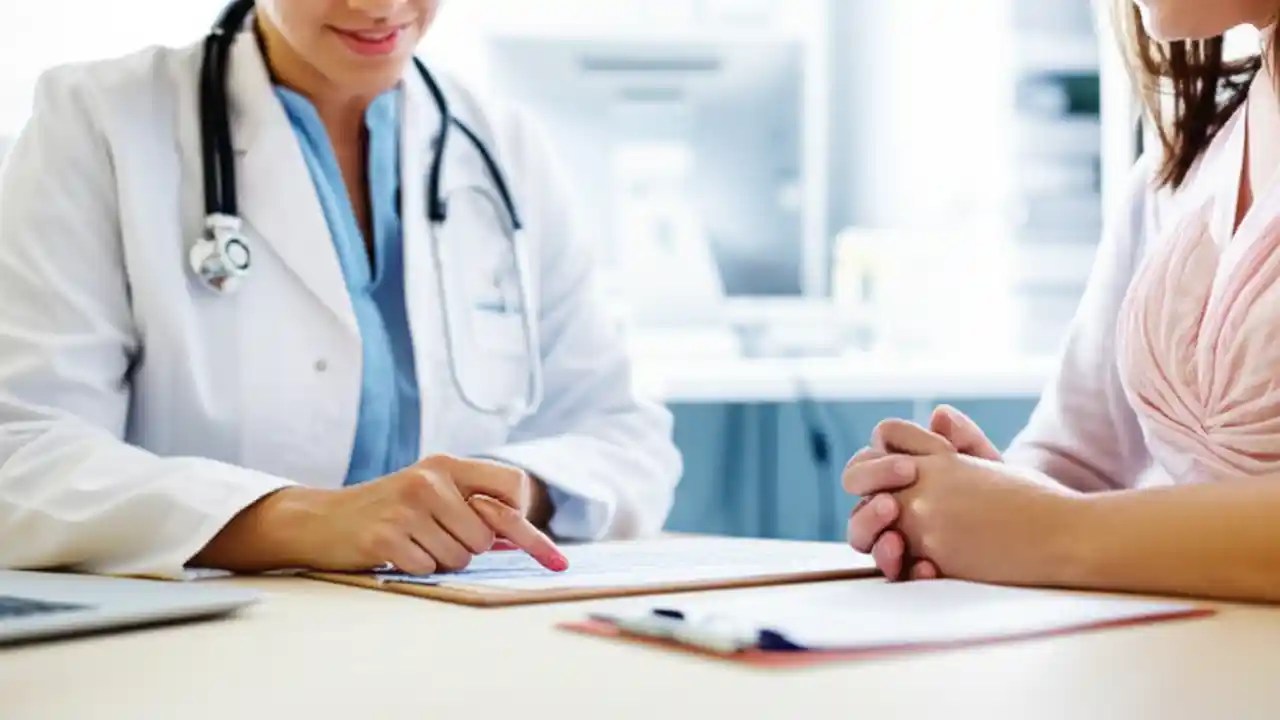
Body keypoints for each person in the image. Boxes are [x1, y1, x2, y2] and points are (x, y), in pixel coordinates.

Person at [0, 0, 681, 579]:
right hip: (205, 645)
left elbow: (626, 438)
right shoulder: (100, 122)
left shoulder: (502, 145)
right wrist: (296, 520)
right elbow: (23, 457)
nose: (379, 5)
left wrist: (502, 496)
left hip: (458, 634)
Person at [845, 0, 1280, 602]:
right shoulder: (1181, 163)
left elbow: (1060, 520)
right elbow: (1076, 461)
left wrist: (1039, 528)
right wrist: (968, 499)